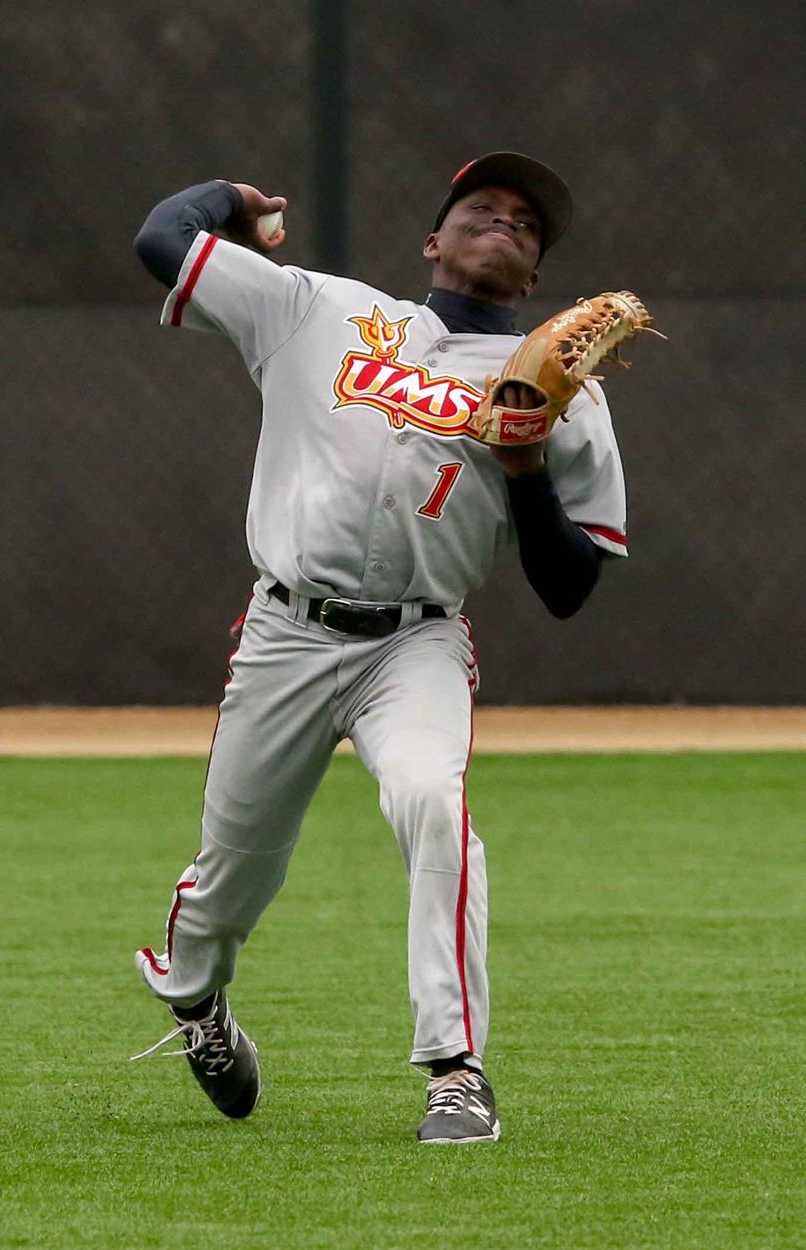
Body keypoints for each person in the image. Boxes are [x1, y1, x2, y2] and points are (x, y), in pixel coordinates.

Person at [126, 153, 629, 1144]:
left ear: (534, 277)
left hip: (417, 641)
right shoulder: (317, 309)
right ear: (432, 242)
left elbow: (571, 586)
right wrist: (235, 203)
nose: (504, 223)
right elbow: (160, 241)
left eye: (527, 225)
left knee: (431, 805)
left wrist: (524, 466)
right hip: (283, 631)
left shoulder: (562, 387)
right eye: (479, 208)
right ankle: (196, 1001)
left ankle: (454, 1069)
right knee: (235, 871)